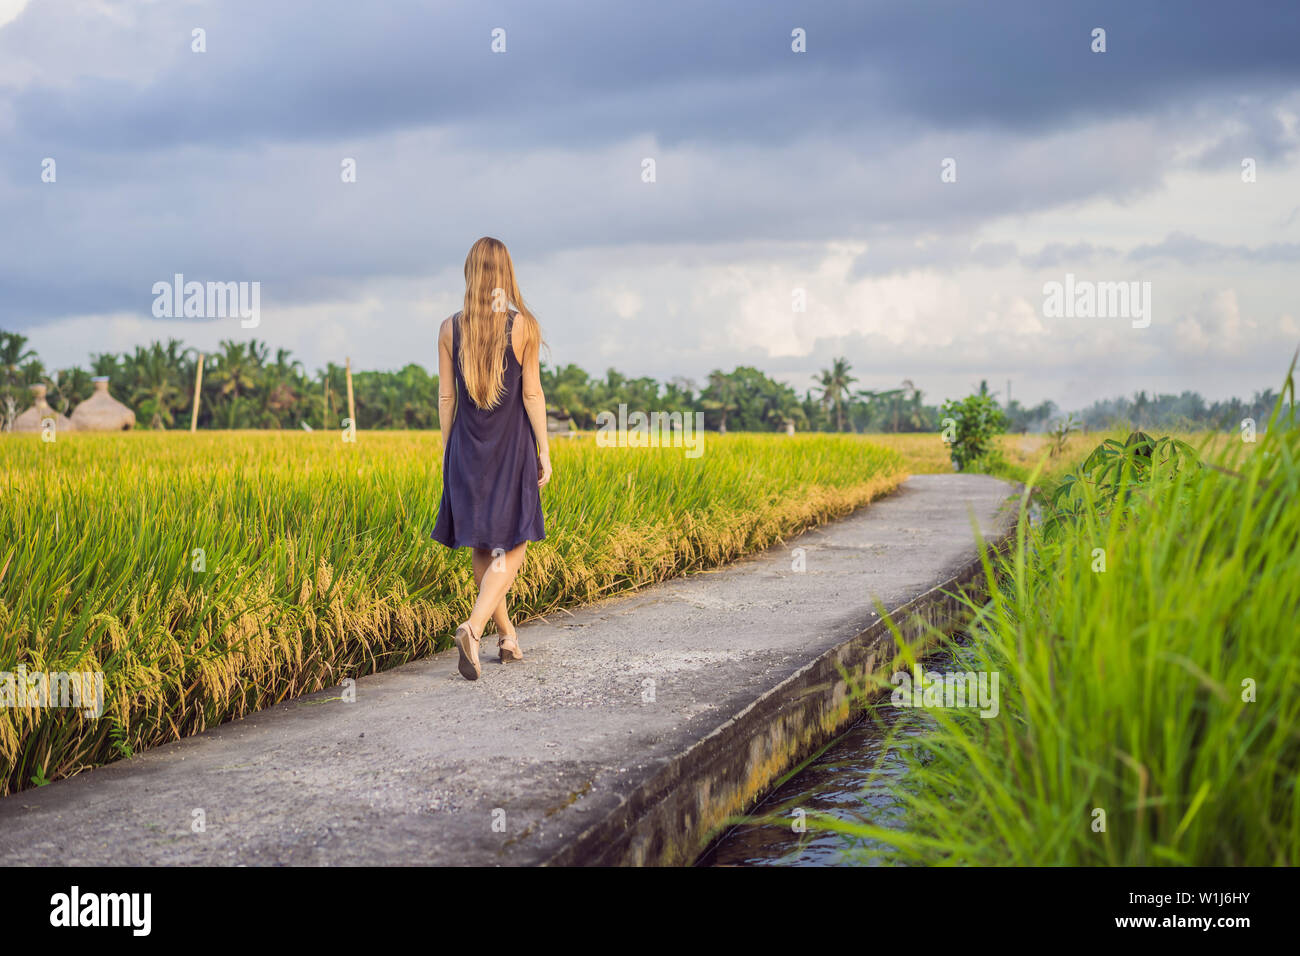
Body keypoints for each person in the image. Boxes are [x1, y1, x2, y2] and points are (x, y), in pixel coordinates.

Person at [431, 237, 552, 680]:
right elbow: (532, 394)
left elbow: (447, 397)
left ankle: (508, 637)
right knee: (516, 541)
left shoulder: (450, 328)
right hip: (512, 448)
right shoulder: (524, 327)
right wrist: (544, 449)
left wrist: (448, 451)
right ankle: (475, 626)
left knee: (484, 544)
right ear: (506, 274)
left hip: (467, 447)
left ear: (471, 275)